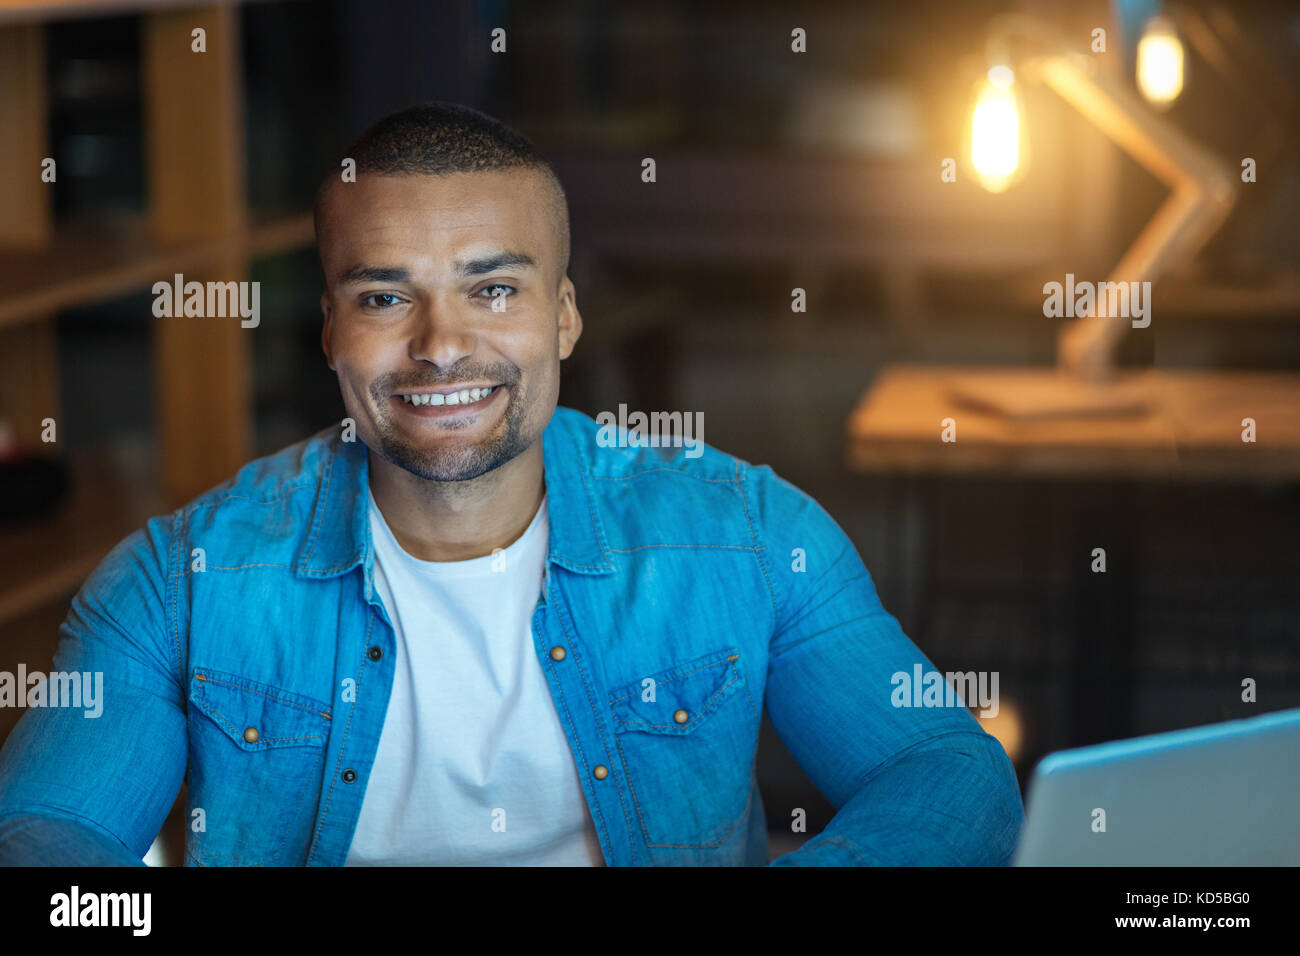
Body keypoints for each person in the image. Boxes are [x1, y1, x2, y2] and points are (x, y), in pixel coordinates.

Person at [0, 102, 1023, 866]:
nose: (442, 346)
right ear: (329, 329)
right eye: (385, 294)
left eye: (492, 288)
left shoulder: (750, 533)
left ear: (564, 316)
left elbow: (945, 772)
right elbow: (44, 833)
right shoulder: (178, 577)